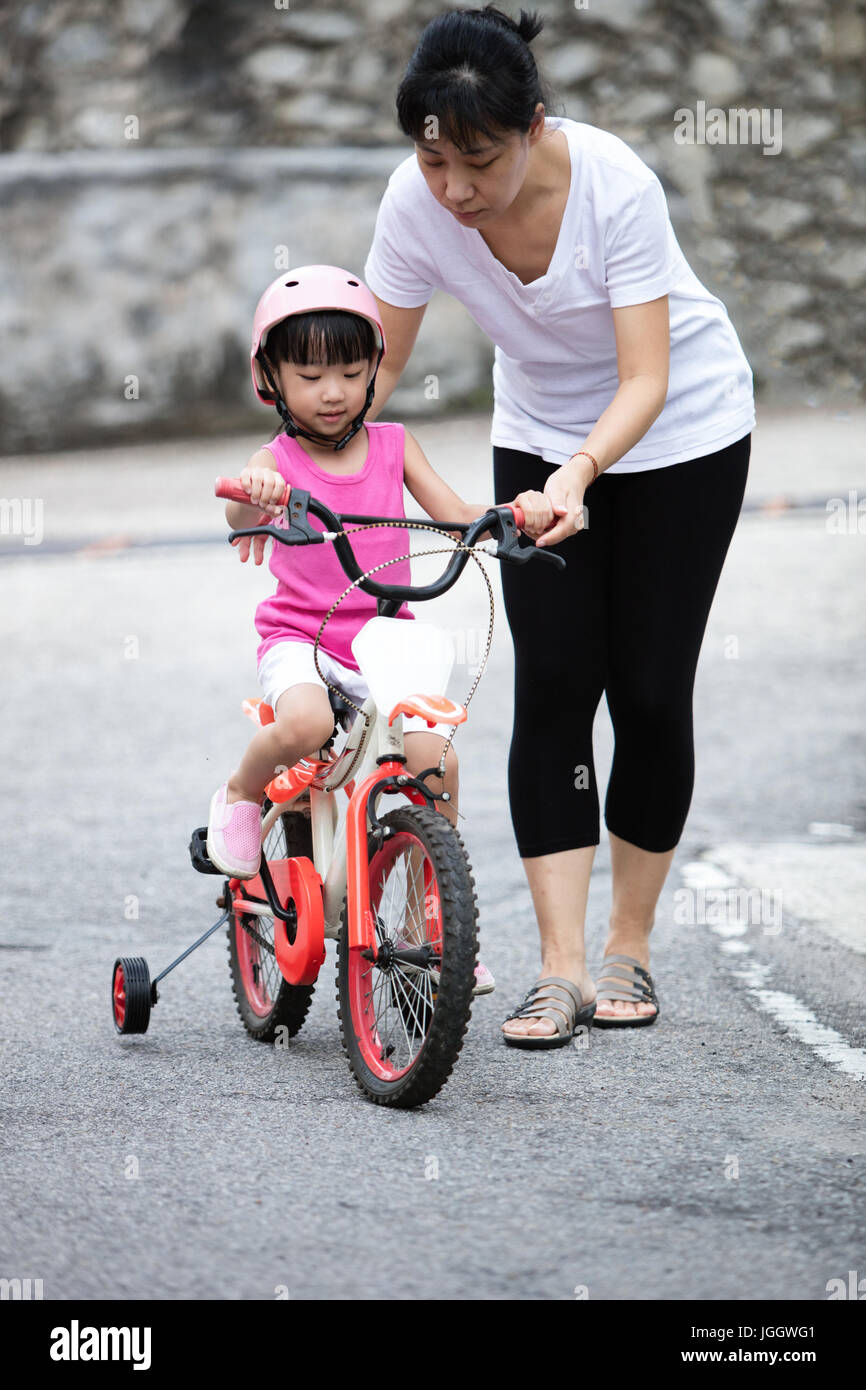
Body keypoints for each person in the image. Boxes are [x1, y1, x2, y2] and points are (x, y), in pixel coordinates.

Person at [361, 6, 756, 1046]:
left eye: (477, 161)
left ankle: (626, 945)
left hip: (680, 433)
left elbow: (645, 375)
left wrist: (580, 473)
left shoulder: (612, 183)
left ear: (534, 126)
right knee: (551, 686)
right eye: (433, 160)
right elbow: (378, 365)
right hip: (536, 433)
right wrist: (305, 439)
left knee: (648, 687)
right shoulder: (416, 201)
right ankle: (560, 969)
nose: (453, 190)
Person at [205, 264, 553, 996]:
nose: (331, 392)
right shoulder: (278, 461)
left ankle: (438, 920)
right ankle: (240, 794)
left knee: (437, 765)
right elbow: (240, 512)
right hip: (303, 638)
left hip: (384, 638)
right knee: (301, 724)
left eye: (350, 372)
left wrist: (508, 517)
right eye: (308, 375)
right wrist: (256, 495)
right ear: (270, 379)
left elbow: (454, 512)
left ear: (372, 374)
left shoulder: (396, 445)